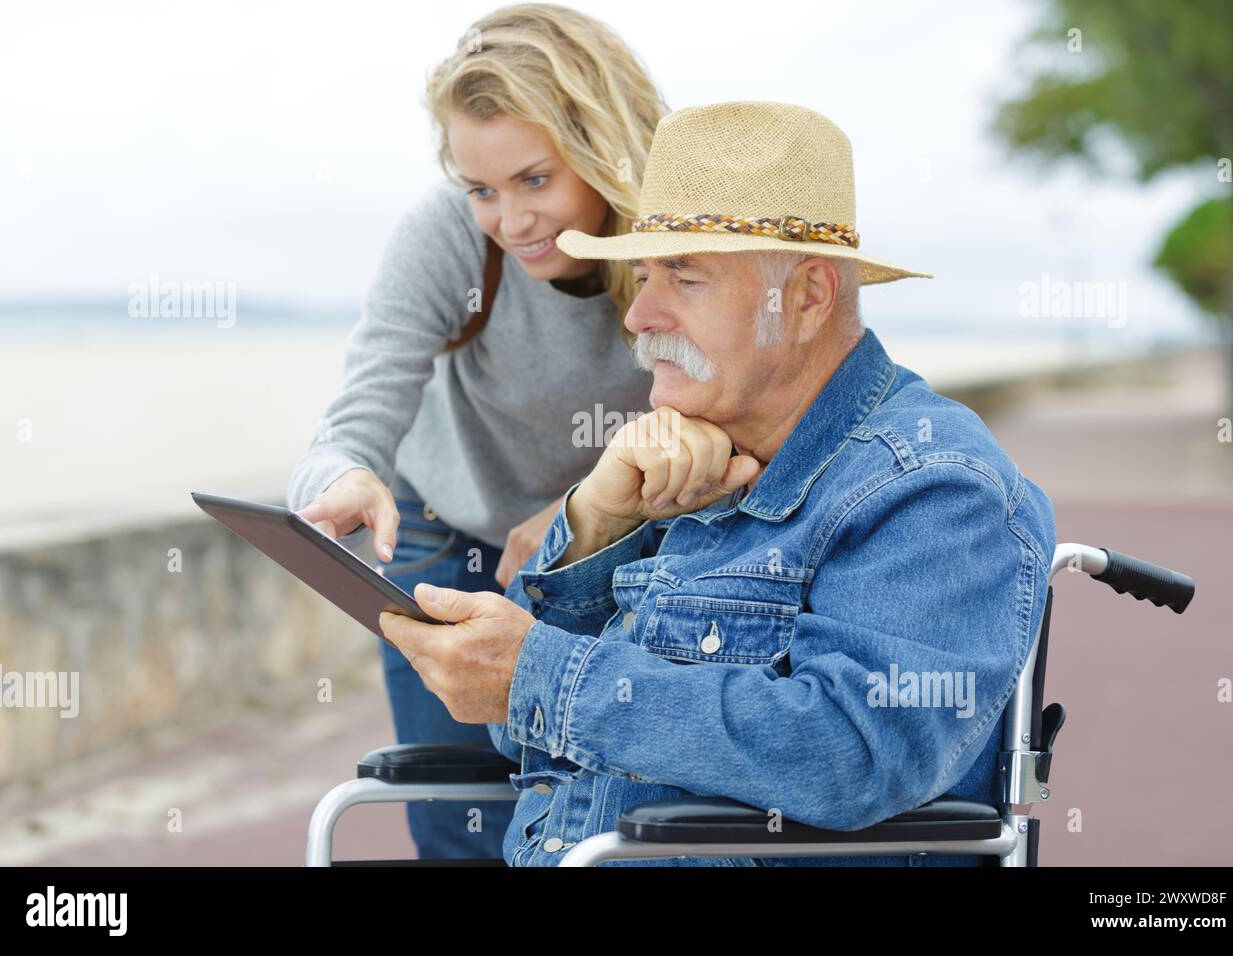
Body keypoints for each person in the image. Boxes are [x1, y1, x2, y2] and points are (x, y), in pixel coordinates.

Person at [378, 100, 1059, 866]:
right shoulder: (689, 465)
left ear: (805, 298)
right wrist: (597, 522)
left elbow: (853, 752)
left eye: (685, 278)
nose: (638, 316)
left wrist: (537, 670)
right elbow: (519, 724)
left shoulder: (934, 485)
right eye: (641, 277)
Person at [286, 4, 666, 860]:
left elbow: (729, 429)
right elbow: (348, 428)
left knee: (604, 791)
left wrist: (580, 516)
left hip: (625, 533)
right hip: (444, 523)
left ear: (606, 147)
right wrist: (339, 480)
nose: (511, 220)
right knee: (458, 796)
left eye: (537, 179)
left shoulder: (675, 240)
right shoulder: (443, 237)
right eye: (482, 189)